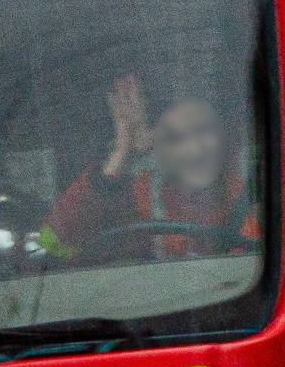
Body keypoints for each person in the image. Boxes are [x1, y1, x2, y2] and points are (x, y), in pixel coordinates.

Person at [45, 72, 259, 261]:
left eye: (203, 131)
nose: (194, 149)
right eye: (175, 137)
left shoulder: (258, 184)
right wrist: (121, 154)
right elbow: (56, 245)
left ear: (223, 132)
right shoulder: (140, 196)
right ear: (155, 144)